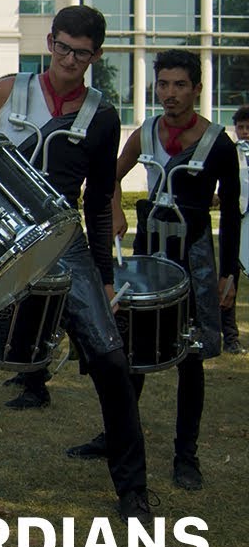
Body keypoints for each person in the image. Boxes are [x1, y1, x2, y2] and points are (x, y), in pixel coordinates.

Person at [0, 5, 153, 522]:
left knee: (110, 359)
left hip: (66, 241)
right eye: (61, 47)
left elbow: (100, 198)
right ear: (49, 41)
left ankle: (133, 490)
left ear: (96, 55)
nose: (68, 59)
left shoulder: (103, 115)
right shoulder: (8, 89)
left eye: (81, 53)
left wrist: (106, 277)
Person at [59, 50, 241, 491]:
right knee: (129, 352)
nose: (170, 94)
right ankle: (116, 436)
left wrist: (229, 271)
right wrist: (115, 208)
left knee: (190, 359)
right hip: (147, 256)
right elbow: (107, 179)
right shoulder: (145, 133)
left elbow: (233, 212)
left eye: (180, 85)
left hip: (194, 261)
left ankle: (186, 456)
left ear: (197, 89)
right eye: (163, 85)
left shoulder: (218, 141)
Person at [220, 104, 249, 354]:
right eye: (241, 127)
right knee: (230, 281)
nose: (245, 132)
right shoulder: (231, 152)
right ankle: (230, 337)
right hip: (236, 224)